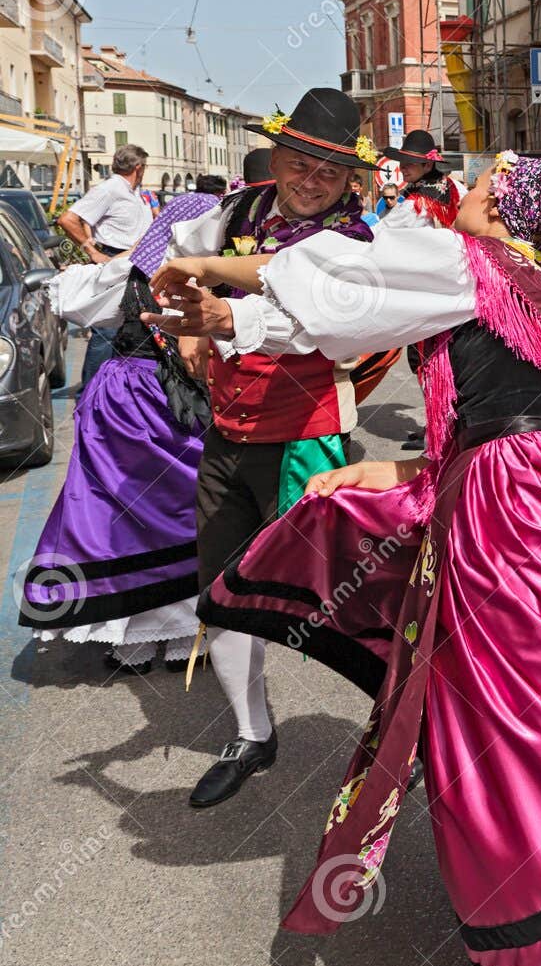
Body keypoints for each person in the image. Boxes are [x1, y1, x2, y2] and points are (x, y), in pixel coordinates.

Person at [153, 154, 541, 966]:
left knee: (517, 702)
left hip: (516, 505)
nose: (464, 198)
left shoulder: (469, 263)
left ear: (513, 214)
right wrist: (240, 327)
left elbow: (346, 277)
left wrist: (208, 269)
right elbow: (393, 331)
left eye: (481, 191)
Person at [139, 87, 376, 810]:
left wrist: (223, 311)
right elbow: (174, 255)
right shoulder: (237, 211)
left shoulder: (355, 239)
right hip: (229, 431)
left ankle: (410, 725)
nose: (309, 179)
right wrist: (187, 326)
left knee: (346, 598)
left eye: (328, 173)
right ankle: (251, 732)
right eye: (299, 162)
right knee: (224, 591)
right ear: (276, 156)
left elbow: (310, 324)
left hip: (306, 437)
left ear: (350, 184)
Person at [20, 177, 224, 674]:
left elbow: (68, 300)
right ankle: (181, 640)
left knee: (119, 512)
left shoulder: (129, 276)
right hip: (184, 405)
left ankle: (131, 641)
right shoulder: (220, 288)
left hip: (124, 399)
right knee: (187, 513)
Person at [58, 144, 155, 387]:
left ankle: (113, 391)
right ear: (139, 167)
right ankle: (90, 393)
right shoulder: (111, 188)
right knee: (107, 333)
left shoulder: (134, 191)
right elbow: (68, 219)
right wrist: (92, 251)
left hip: (133, 263)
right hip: (115, 260)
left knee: (128, 330)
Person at [379, 129, 463, 230]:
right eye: (402, 162)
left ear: (428, 165)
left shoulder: (415, 205)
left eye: (410, 163)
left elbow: (382, 230)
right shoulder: (455, 185)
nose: (402, 168)